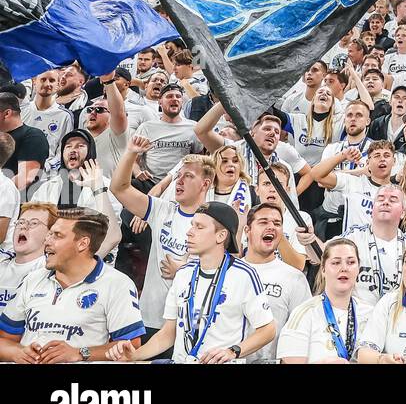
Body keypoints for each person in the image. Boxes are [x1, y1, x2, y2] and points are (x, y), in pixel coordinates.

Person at [108, 202, 276, 364]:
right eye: (192, 225)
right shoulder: (184, 273)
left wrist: (233, 351)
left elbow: (268, 330)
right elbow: (168, 332)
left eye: (199, 227)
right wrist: (135, 356)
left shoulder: (244, 275)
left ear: (221, 235)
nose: (189, 232)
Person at [0, 209, 144, 363]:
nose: (47, 241)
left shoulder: (117, 284)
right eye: (49, 234)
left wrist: (80, 353)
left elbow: (130, 348)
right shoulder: (32, 279)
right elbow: (4, 340)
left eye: (57, 235)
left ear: (83, 243)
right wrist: (19, 353)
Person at [110, 134, 212, 334]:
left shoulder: (215, 220)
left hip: (192, 322)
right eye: (178, 176)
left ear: (206, 184)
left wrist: (185, 271)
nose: (179, 181)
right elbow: (118, 188)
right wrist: (131, 153)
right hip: (151, 316)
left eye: (188, 176)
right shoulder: (162, 210)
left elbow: (226, 265)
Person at [278, 237, 374, 363]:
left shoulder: (372, 314)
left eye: (351, 262)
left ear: (359, 269)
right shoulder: (305, 313)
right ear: (323, 269)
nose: (344, 268)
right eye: (336, 263)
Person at [241, 202, 311, 362]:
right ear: (247, 230)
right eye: (263, 222)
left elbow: (303, 330)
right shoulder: (230, 273)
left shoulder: (294, 278)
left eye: (277, 223)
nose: (271, 227)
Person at [0, 203, 54, 312]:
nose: (23, 226)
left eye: (34, 223)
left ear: (50, 234)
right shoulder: (2, 261)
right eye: (20, 222)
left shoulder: (50, 272)